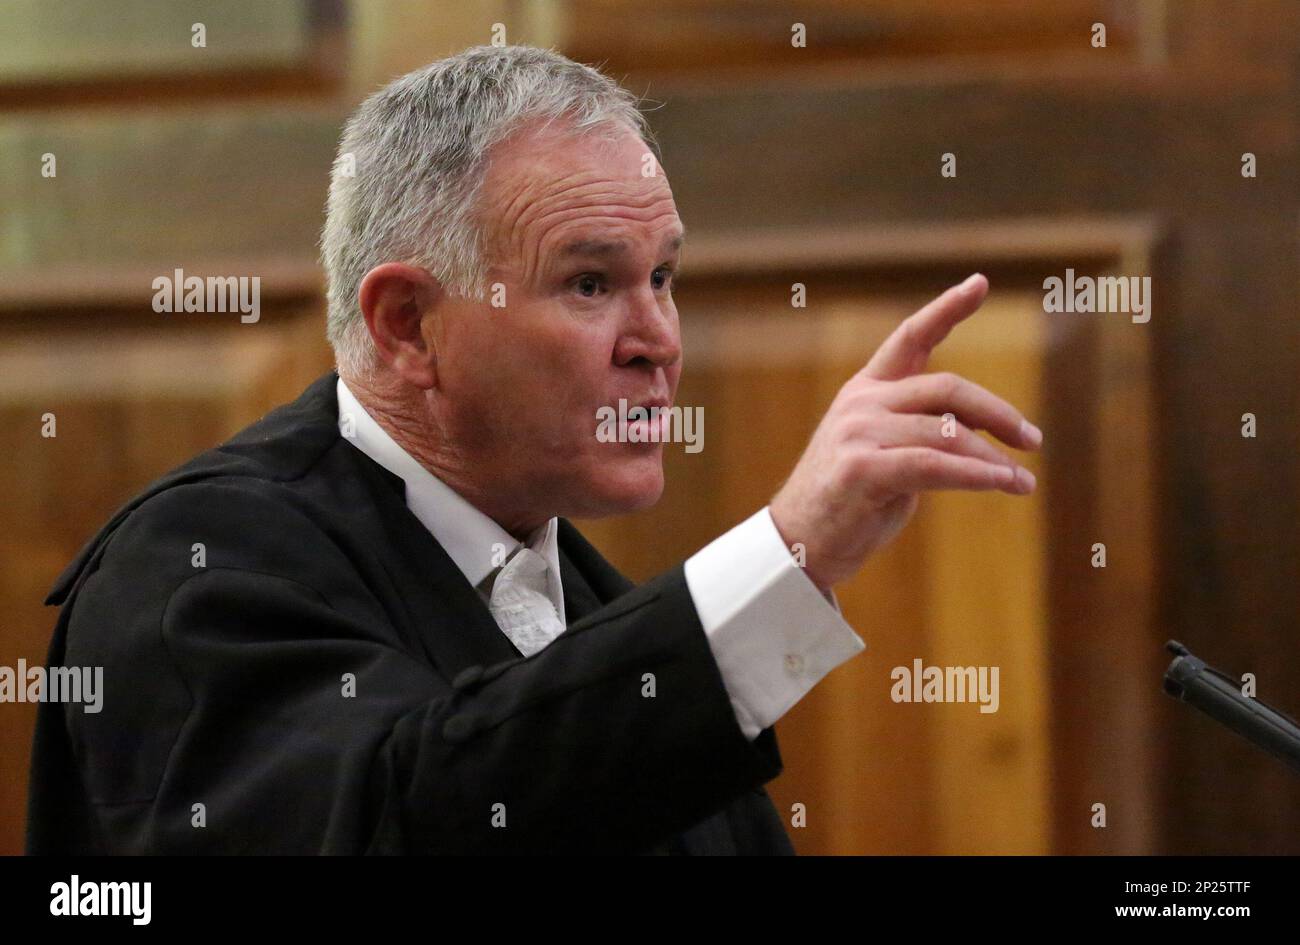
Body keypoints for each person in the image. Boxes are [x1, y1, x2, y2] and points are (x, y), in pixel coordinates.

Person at [26, 45, 1040, 854]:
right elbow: (415, 817)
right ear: (408, 327)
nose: (658, 341)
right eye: (591, 283)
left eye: (665, 277)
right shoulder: (195, 563)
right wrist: (783, 555)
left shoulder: (586, 603)